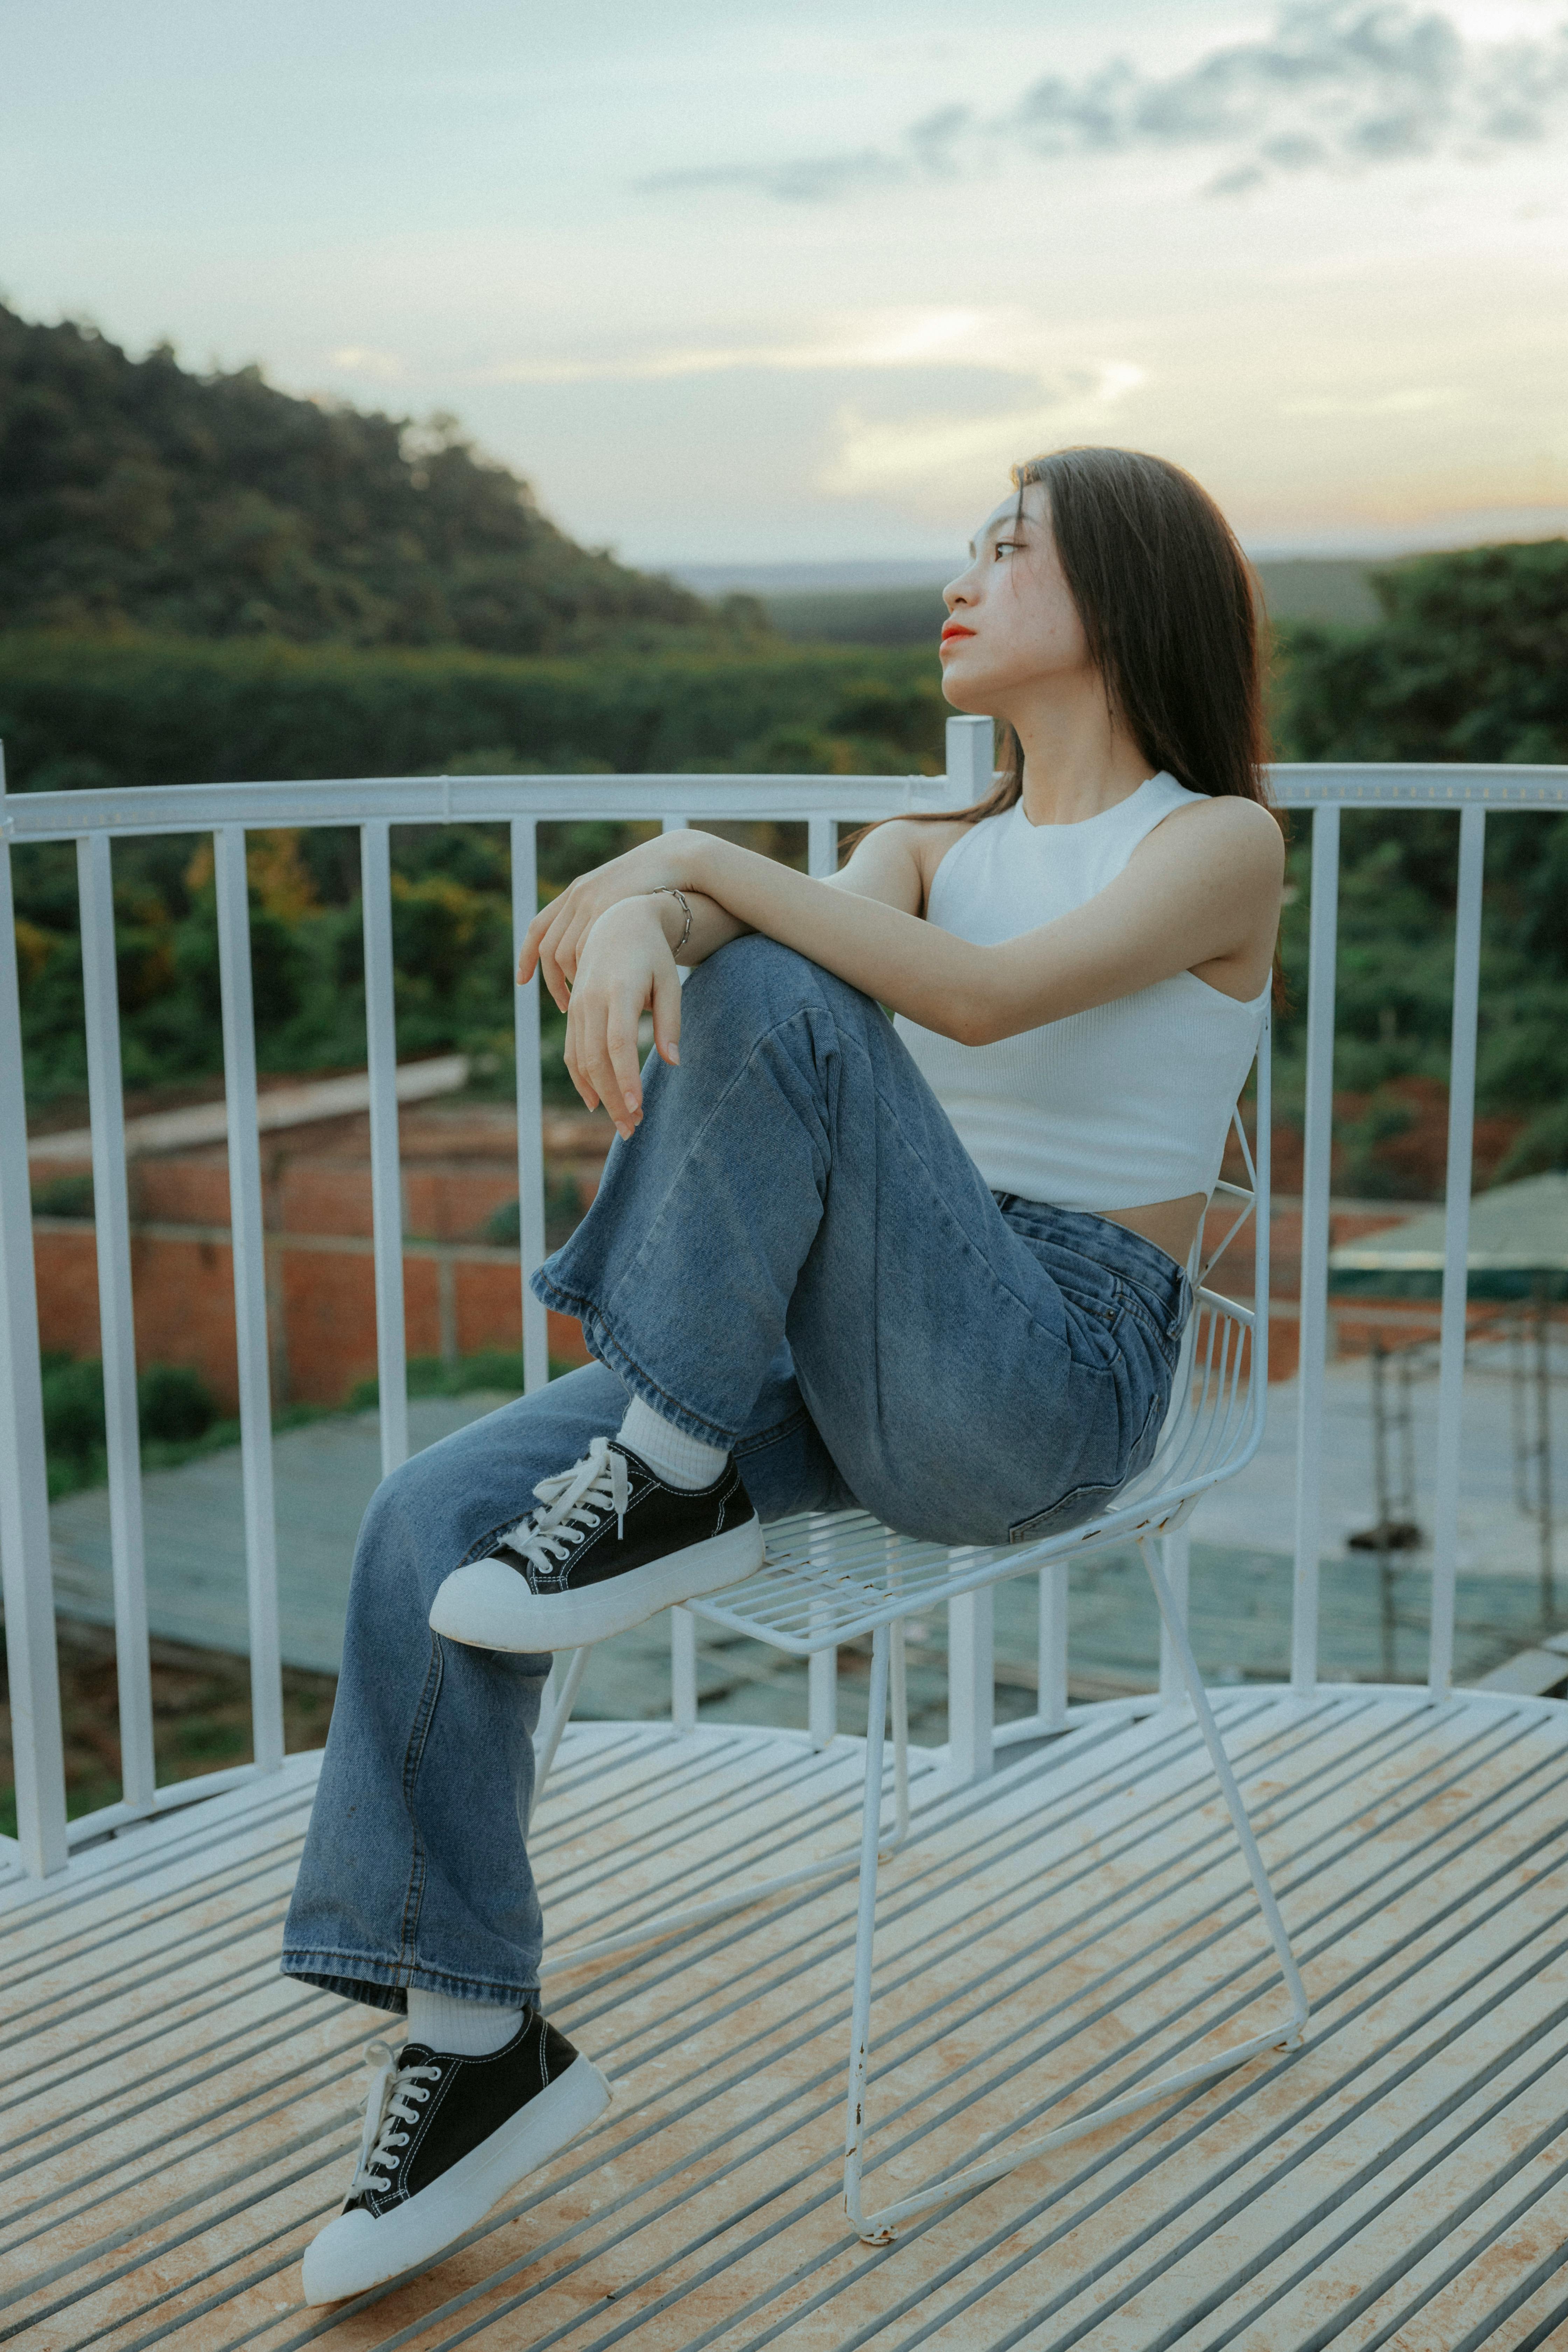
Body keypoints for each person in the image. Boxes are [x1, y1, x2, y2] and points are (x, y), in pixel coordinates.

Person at [285, 443, 1285, 2304]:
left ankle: (666, 1468)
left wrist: (685, 867)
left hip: (1054, 1370)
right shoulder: (927, 844)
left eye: (1012, 547)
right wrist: (655, 916)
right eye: (966, 543)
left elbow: (961, 1002)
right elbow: (746, 945)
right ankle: (473, 2035)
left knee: (789, 992)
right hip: (850, 1341)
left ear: (1128, 593)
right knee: (430, 1513)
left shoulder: (1216, 839)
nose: (962, 575)